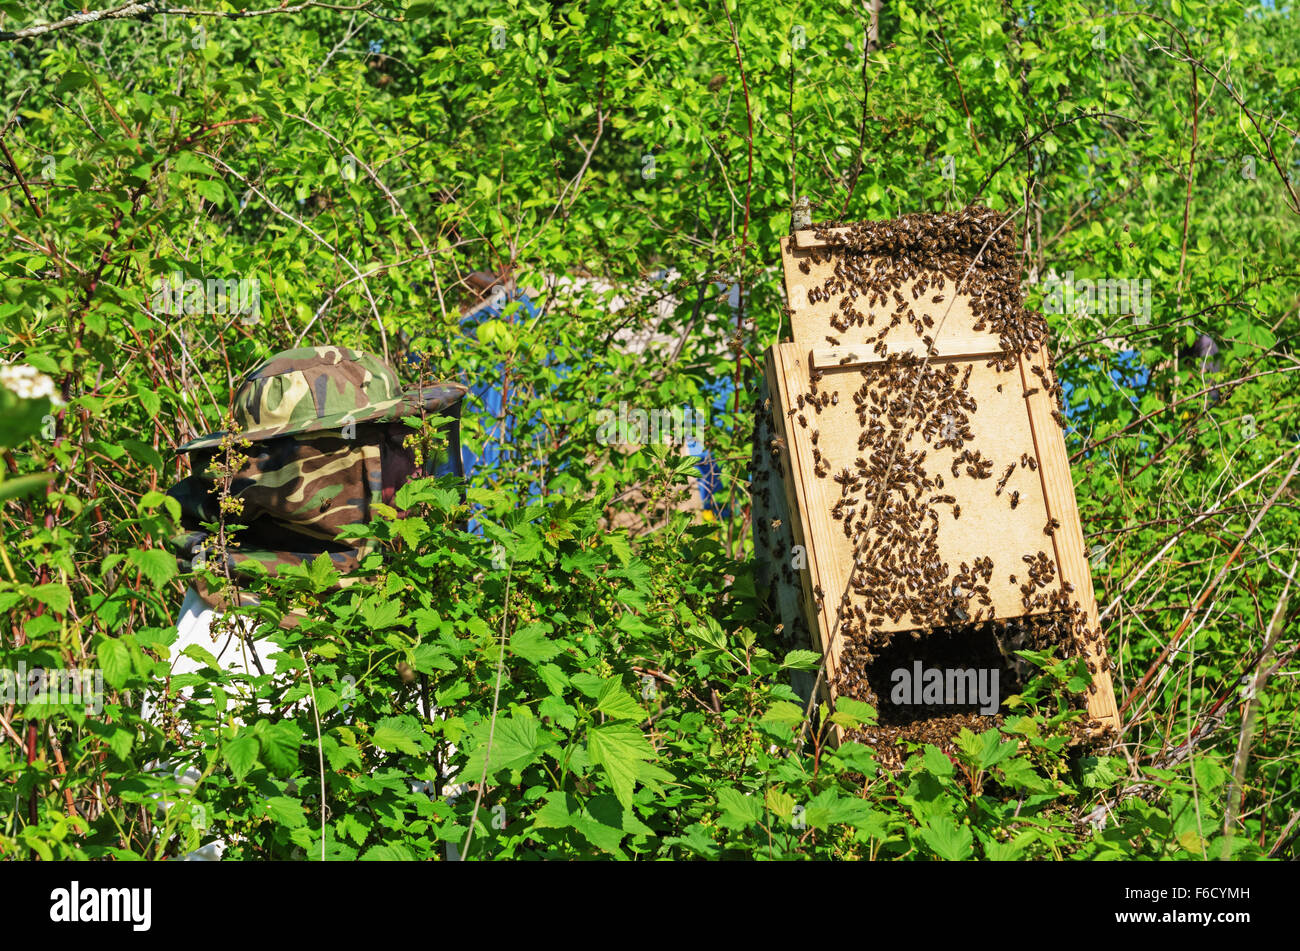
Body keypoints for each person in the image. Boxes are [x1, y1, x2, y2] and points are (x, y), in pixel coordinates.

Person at [146, 346, 466, 859]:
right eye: (395, 447)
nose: (412, 469)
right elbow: (207, 841)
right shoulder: (224, 648)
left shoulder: (390, 599)